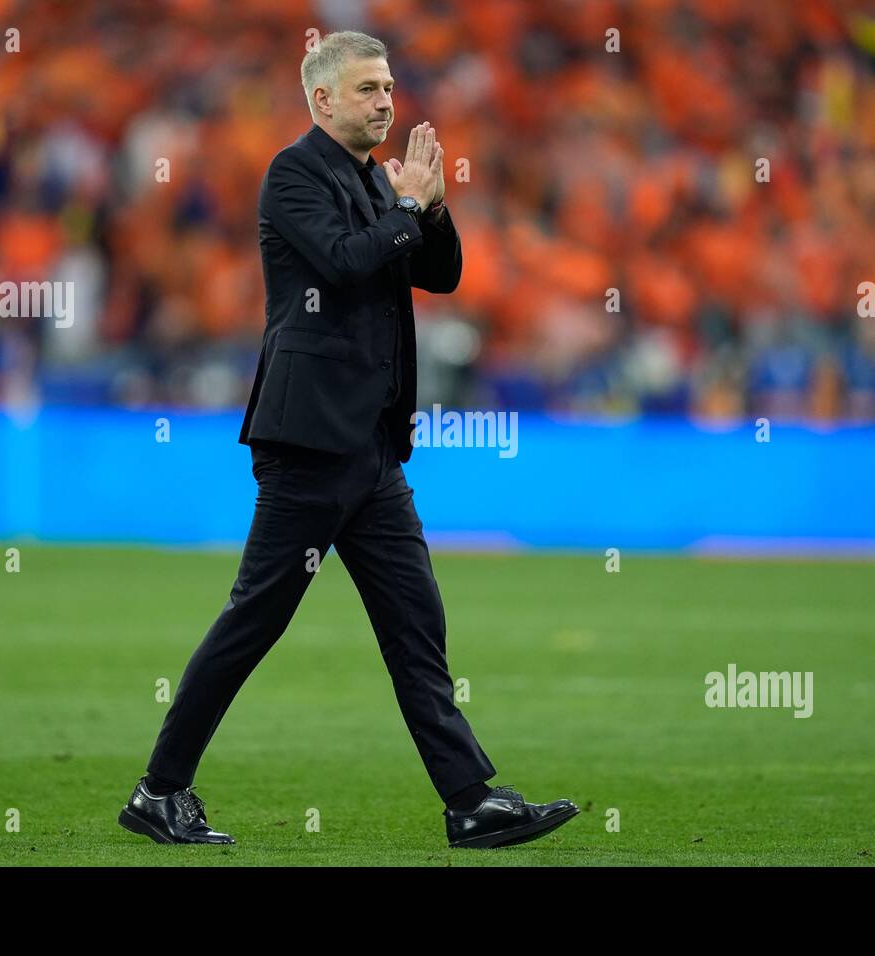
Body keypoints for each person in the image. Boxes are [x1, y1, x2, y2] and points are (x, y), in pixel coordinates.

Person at [118, 30, 577, 850]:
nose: (386, 102)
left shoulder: (372, 183)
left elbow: (439, 276)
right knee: (255, 620)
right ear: (321, 99)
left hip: (370, 448)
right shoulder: (294, 173)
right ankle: (160, 790)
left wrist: (429, 208)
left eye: (390, 87)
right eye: (368, 88)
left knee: (415, 621)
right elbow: (341, 262)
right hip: (309, 442)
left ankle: (470, 800)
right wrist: (403, 210)